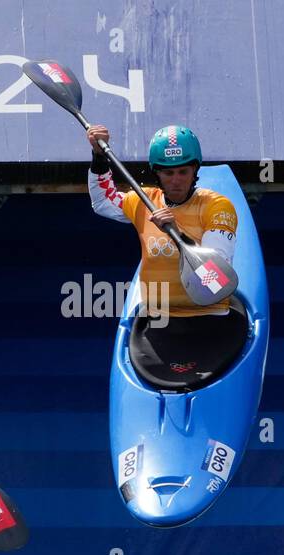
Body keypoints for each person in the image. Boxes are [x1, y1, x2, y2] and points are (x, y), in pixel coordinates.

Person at [86, 123, 243, 388]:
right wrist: (99, 157)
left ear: (195, 170)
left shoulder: (217, 207)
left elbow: (215, 280)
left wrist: (177, 233)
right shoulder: (143, 201)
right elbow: (103, 201)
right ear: (156, 173)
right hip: (160, 322)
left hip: (212, 324)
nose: (176, 180)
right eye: (168, 173)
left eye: (183, 171)